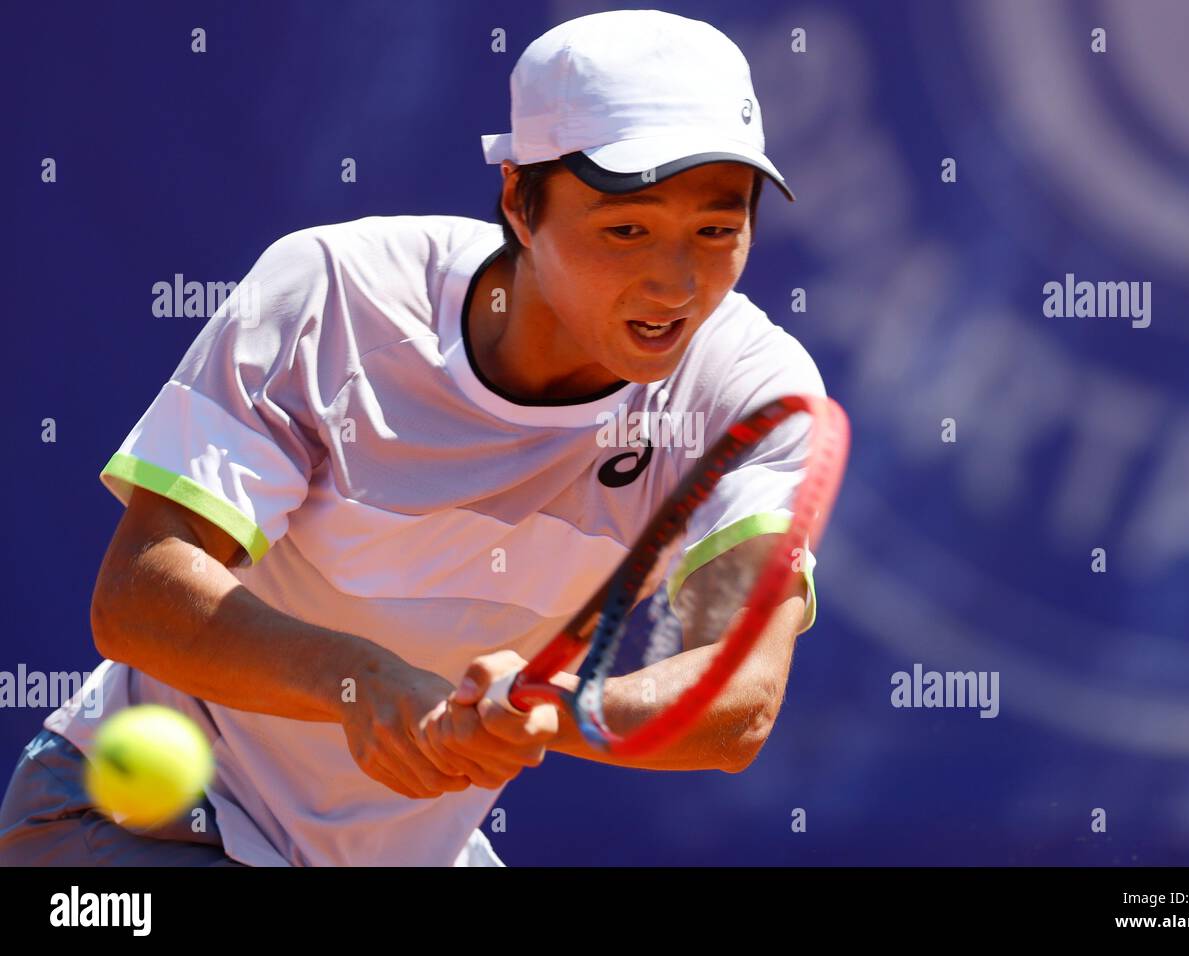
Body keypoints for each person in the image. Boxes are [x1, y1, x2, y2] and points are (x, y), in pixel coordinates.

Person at [0, 9, 824, 866]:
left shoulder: (751, 397)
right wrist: (355, 680)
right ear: (518, 196)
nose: (676, 283)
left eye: (717, 231)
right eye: (627, 229)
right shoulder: (332, 294)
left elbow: (741, 700)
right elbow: (139, 596)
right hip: (147, 819)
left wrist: (549, 706)